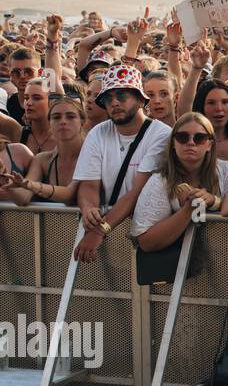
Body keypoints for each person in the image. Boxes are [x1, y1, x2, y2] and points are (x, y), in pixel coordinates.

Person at [71, 65, 170, 261]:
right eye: (108, 98)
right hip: (108, 236)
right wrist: (89, 209)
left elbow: (137, 192)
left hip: (146, 234)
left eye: (122, 96)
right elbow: (88, 184)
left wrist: (99, 230)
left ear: (141, 100)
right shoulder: (98, 133)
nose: (114, 102)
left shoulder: (161, 135)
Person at [130, 113, 228, 252]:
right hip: (177, 268)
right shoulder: (160, 180)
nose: (191, 142)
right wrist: (189, 209)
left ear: (209, 145)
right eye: (182, 137)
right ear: (173, 144)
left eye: (199, 138)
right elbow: (146, 242)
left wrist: (214, 201)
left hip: (227, 256)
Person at [1, 94, 85, 205]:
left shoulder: (92, 154)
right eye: (56, 117)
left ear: (82, 122)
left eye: (70, 116)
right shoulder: (42, 159)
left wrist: (32, 185)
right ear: (49, 123)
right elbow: (24, 198)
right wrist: (8, 184)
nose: (63, 121)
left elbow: (70, 195)